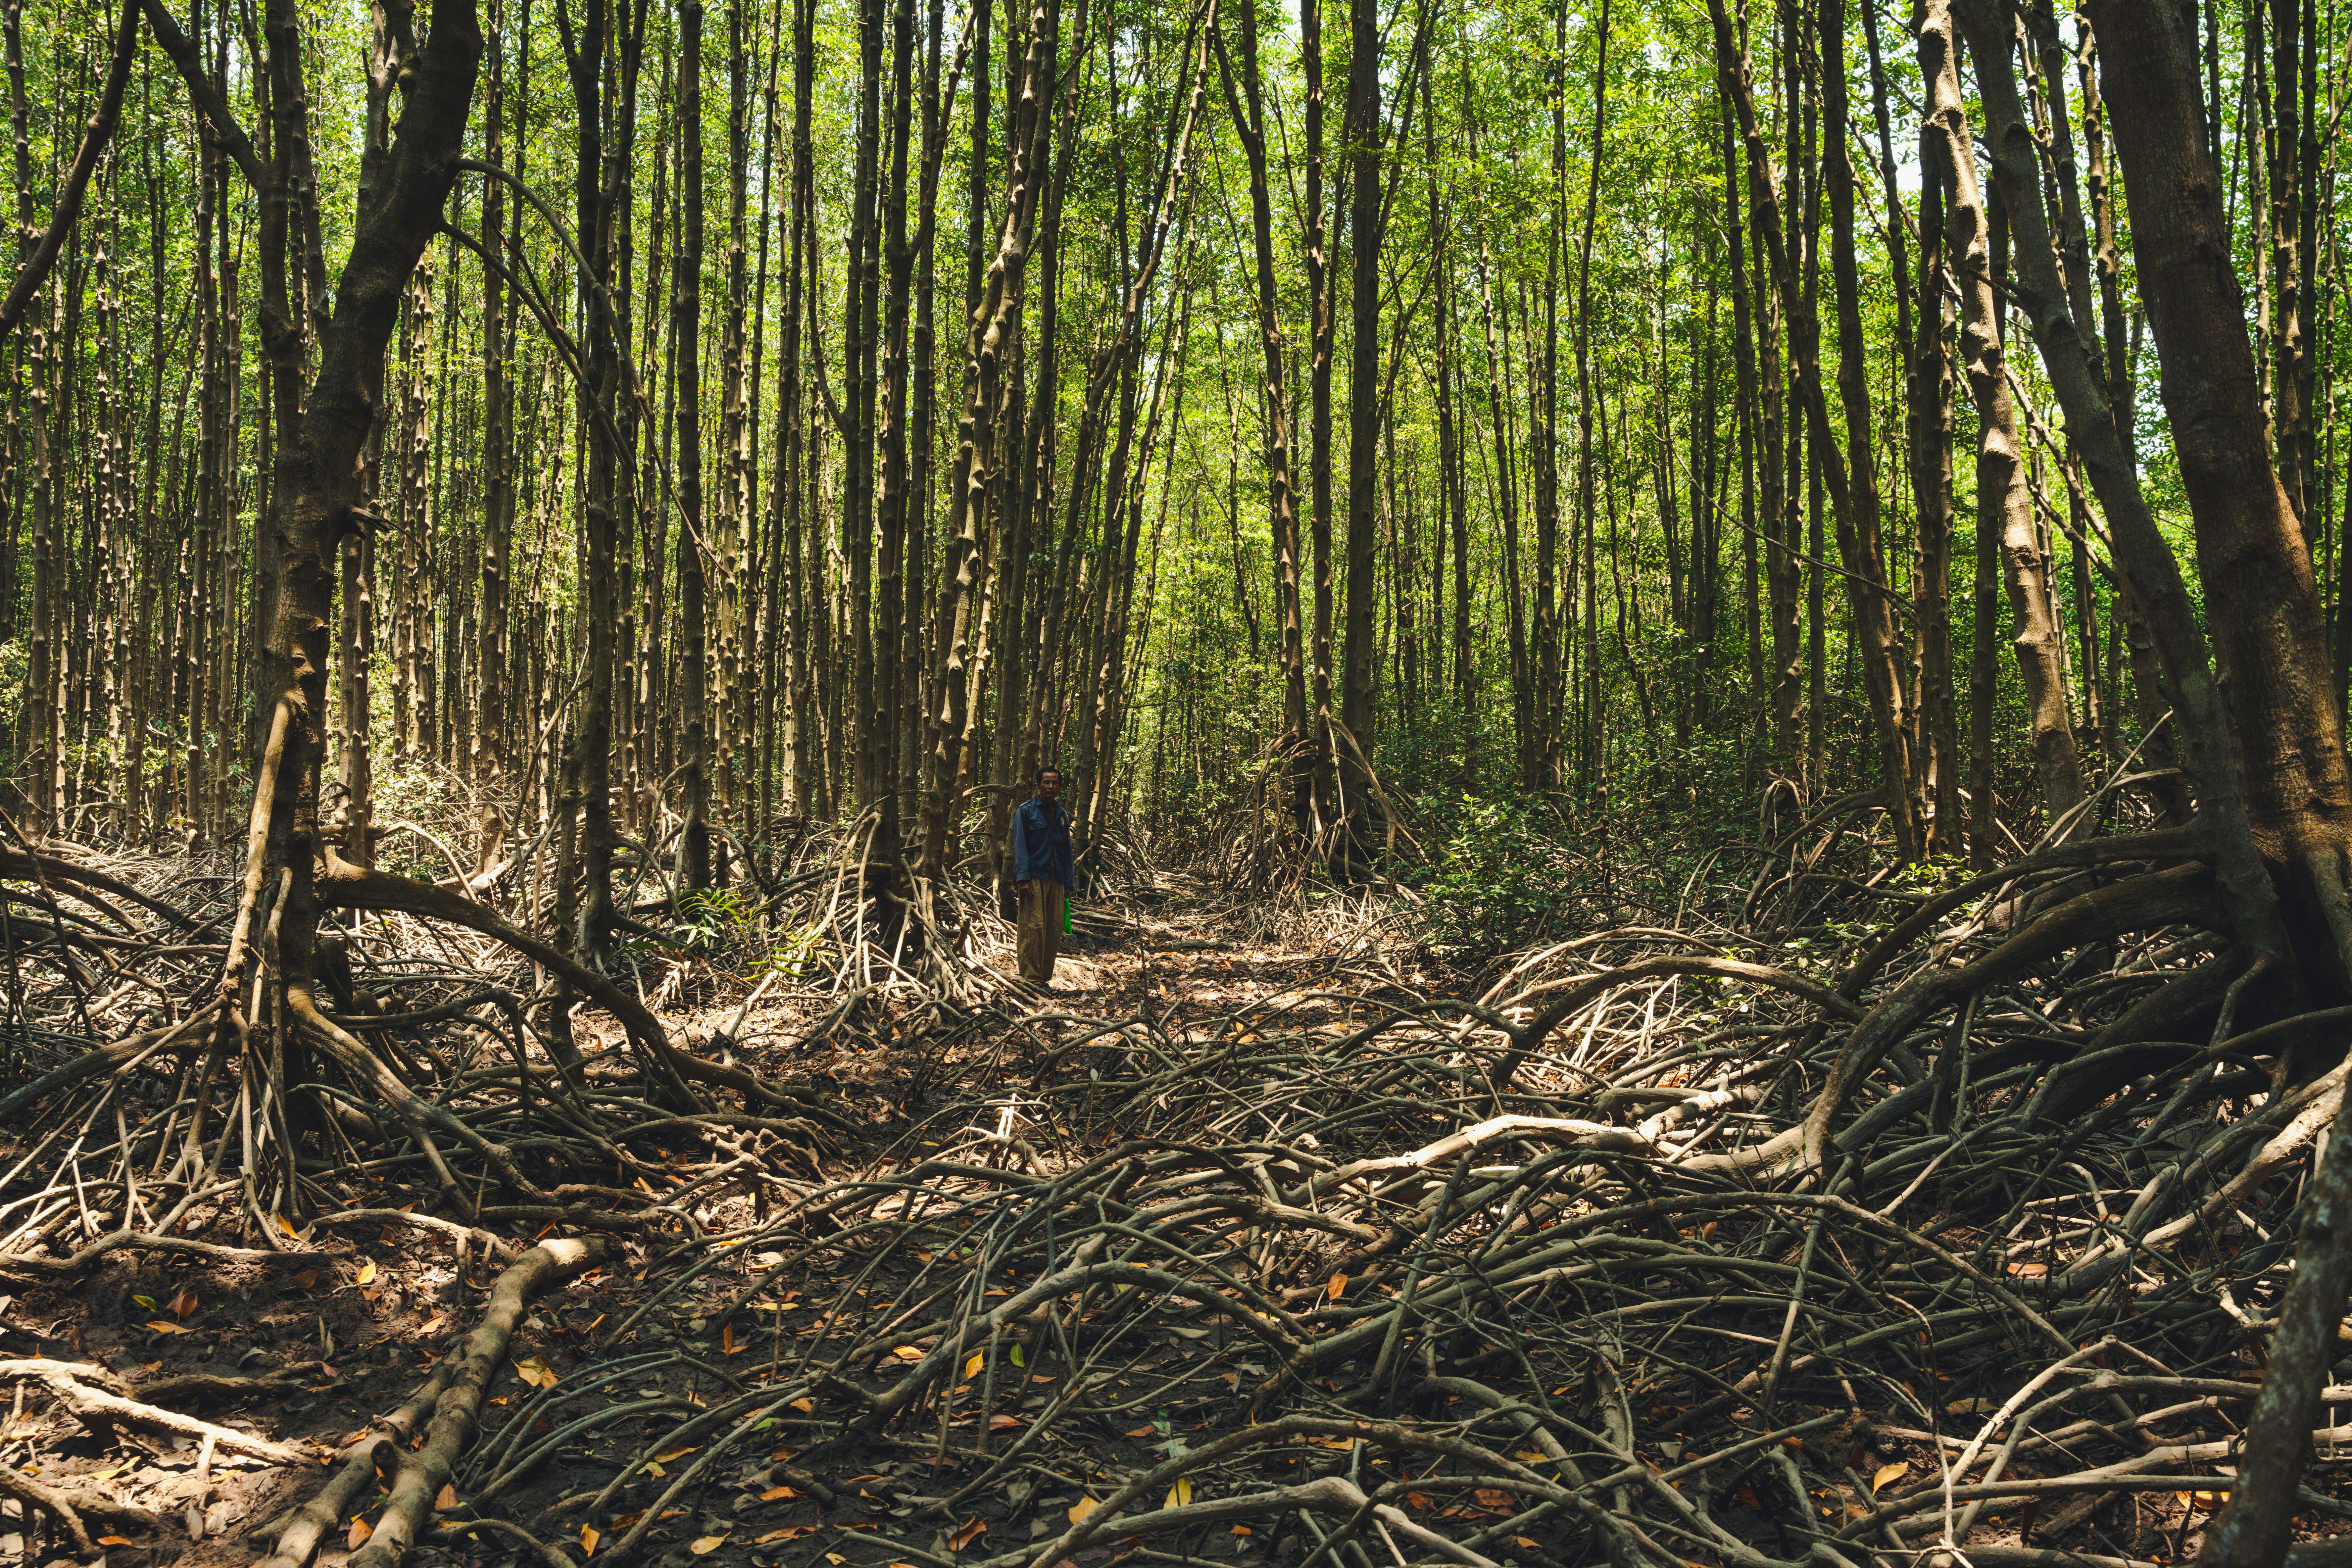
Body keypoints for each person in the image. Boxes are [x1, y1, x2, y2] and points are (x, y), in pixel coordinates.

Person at [1012, 766, 1075, 988]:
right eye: (1047, 783)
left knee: (1054, 929)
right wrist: (1023, 878)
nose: (1051, 787)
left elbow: (1067, 851)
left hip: (1057, 879)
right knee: (1033, 929)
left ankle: (1044, 979)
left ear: (1059, 787)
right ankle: (1031, 979)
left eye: (1055, 783)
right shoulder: (1026, 812)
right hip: (1035, 879)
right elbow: (1020, 847)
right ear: (1039, 785)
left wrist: (1069, 883)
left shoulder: (1061, 814)